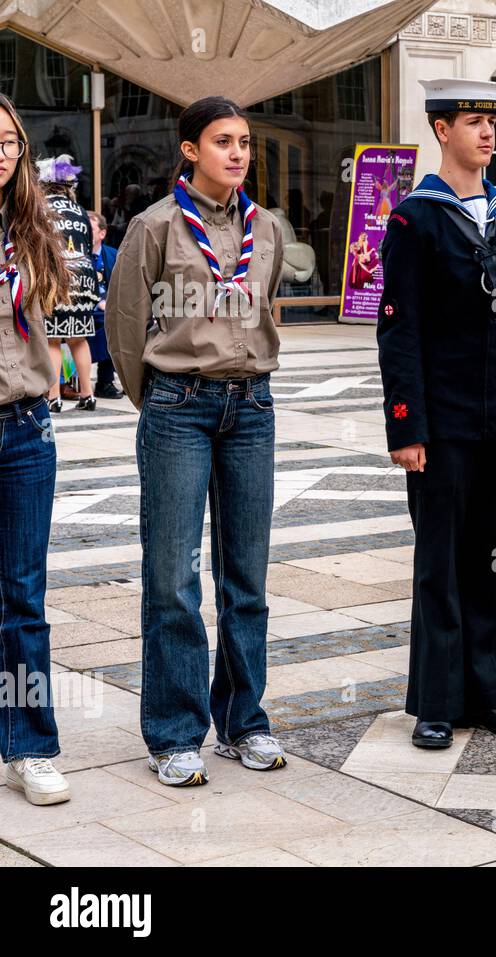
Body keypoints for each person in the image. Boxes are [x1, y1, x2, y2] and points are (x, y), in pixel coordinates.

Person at [107, 96, 287, 787]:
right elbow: (126, 326)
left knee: (246, 577)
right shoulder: (155, 228)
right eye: (222, 141)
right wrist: (157, 399)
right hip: (179, 408)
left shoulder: (264, 226)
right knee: (173, 576)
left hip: (251, 407)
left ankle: (245, 722)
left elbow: (263, 300)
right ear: (189, 150)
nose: (237, 153)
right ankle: (176, 731)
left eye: (243, 141)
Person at [376, 78, 496, 750]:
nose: (486, 133)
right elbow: (399, 328)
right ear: (441, 129)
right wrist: (406, 424)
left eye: (491, 121)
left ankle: (490, 691)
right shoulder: (414, 218)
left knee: (492, 555)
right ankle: (438, 699)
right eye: (473, 121)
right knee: (440, 558)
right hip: (440, 421)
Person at [0, 93, 74, 806]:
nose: (2, 153)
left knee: (22, 593)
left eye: (10, 144)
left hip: (23, 428)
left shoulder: (31, 229)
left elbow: (56, 305)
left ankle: (29, 745)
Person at [39, 155, 99, 412]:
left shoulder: (42, 209)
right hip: (83, 279)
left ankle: (54, 397)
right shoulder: (81, 212)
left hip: (57, 279)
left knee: (53, 339)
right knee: (78, 338)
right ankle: (88, 394)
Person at [86, 210, 123, 400]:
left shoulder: (114, 255)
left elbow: (122, 286)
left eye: (89, 228)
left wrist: (109, 302)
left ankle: (105, 382)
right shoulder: (74, 255)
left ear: (102, 233)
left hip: (106, 310)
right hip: (81, 309)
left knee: (115, 323)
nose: (84, 232)